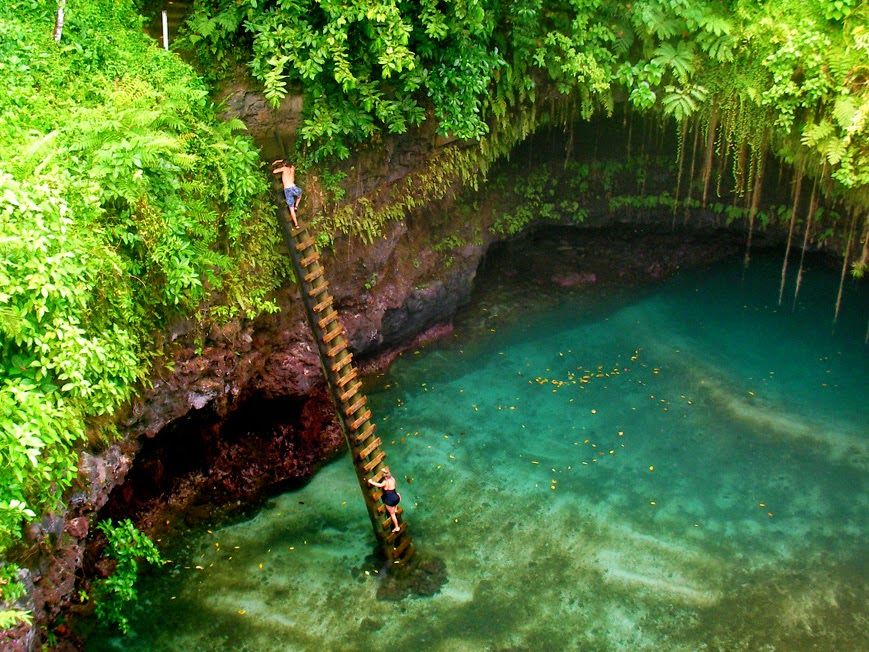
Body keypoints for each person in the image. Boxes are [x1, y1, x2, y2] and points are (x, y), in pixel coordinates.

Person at [367, 467, 402, 532]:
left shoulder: (385, 482)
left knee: (392, 514)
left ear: (385, 477)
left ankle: (397, 527)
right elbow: (389, 474)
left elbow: (379, 485)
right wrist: (385, 471)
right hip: (396, 498)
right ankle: (395, 509)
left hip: (390, 500)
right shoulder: (393, 479)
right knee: (398, 494)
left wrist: (371, 482)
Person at [272, 159, 302, 228]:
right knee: (300, 193)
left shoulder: (284, 169)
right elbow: (286, 161)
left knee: (291, 208)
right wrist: (279, 161)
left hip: (287, 189)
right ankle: (296, 205)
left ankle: (296, 225)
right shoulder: (292, 168)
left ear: (284, 164)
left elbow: (274, 171)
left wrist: (276, 162)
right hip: (293, 187)